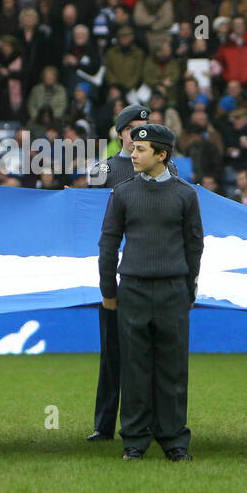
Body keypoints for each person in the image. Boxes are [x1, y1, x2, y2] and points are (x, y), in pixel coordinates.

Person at [98, 123, 204, 461]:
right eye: (134, 147)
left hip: (173, 290)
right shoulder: (123, 193)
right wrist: (108, 290)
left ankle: (174, 441)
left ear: (162, 155)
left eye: (142, 149)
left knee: (173, 371)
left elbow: (194, 246)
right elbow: (108, 244)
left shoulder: (186, 194)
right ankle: (134, 441)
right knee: (134, 368)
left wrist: (189, 289)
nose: (133, 152)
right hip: (133, 290)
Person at [85, 103, 177, 443]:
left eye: (146, 126)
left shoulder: (167, 169)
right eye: (135, 127)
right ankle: (104, 424)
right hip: (114, 272)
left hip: (147, 269)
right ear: (121, 132)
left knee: (150, 354)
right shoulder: (103, 170)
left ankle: (149, 423)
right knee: (112, 354)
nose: (141, 132)